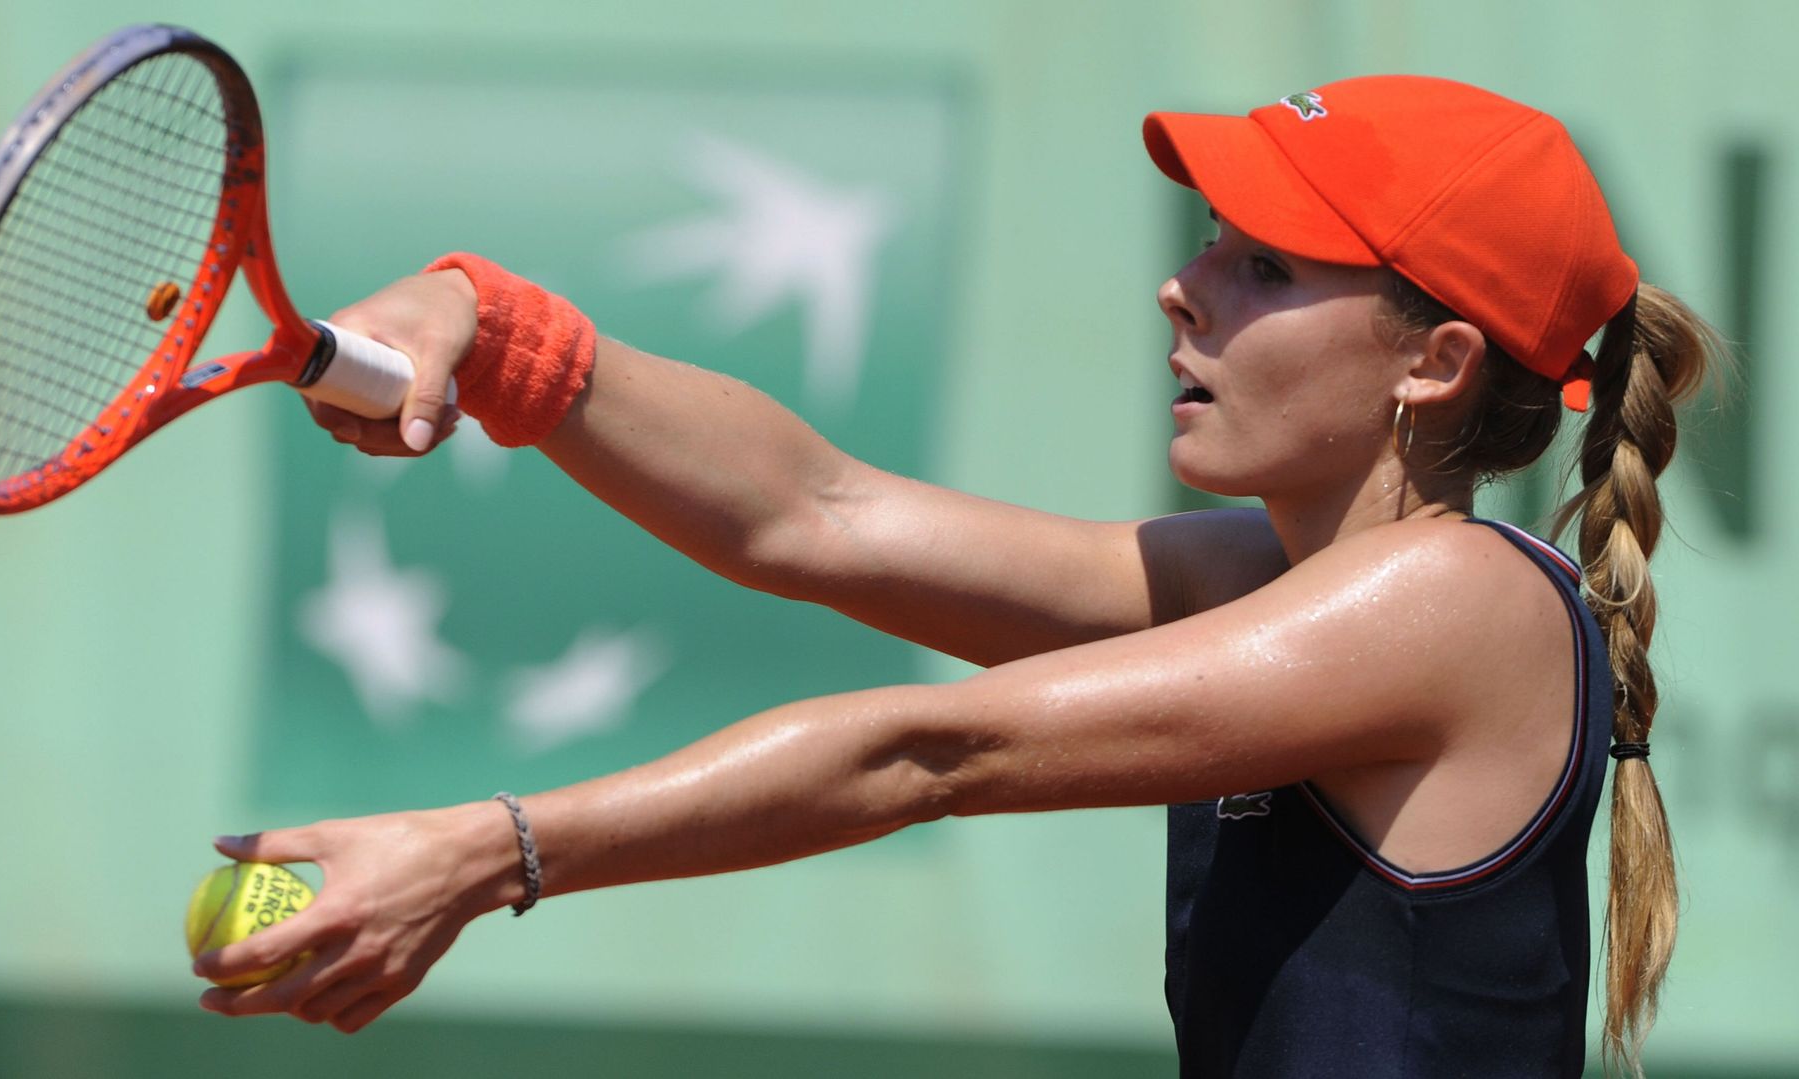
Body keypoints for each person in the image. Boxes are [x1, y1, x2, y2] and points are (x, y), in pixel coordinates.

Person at [194, 75, 1721, 1076]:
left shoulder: (1463, 604)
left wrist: (486, 851)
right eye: (1209, 240)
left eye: (1264, 266)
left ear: (1435, 363)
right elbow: (814, 515)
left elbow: (934, 749)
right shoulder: (1253, 584)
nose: (1179, 286)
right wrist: (500, 327)